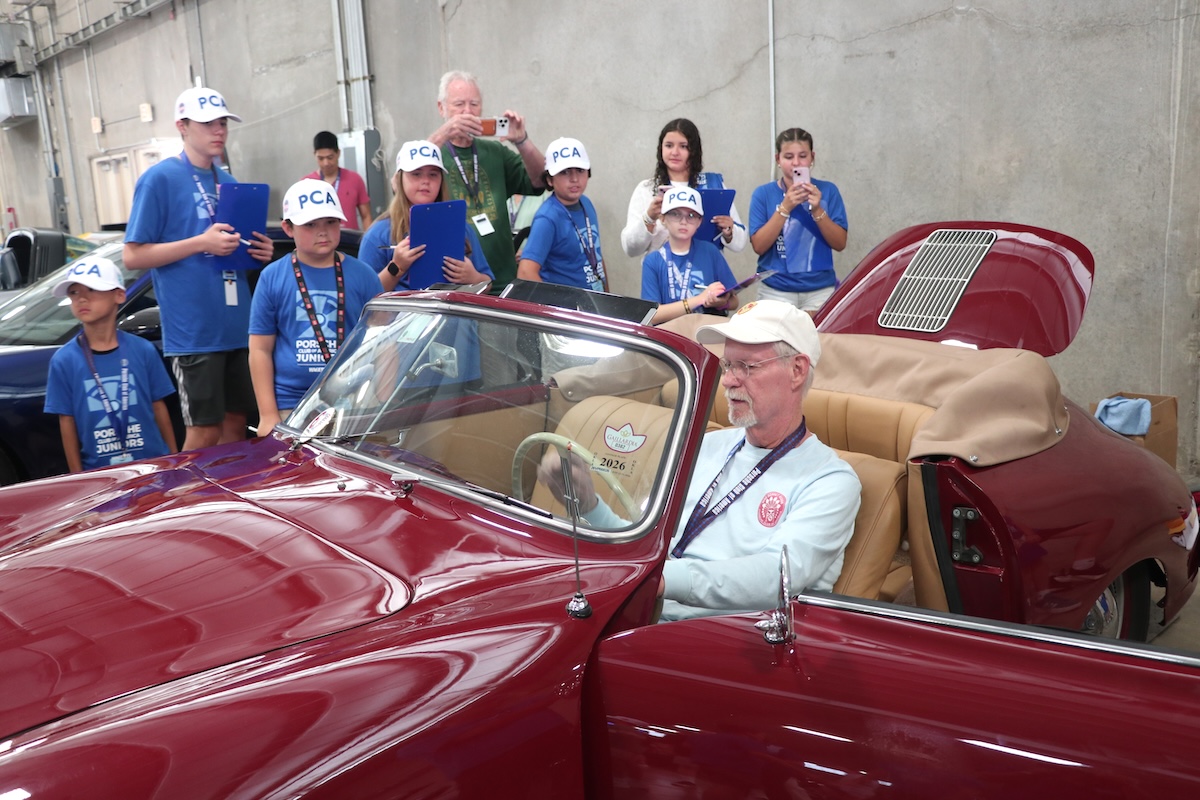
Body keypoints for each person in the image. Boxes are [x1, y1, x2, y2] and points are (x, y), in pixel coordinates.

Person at [538, 300, 860, 621]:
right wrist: (588, 504)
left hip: (728, 644)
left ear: (797, 370)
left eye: (746, 367)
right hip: (645, 613)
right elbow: (647, 545)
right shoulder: (709, 446)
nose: (728, 381)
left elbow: (777, 575)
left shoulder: (831, 481)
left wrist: (662, 580)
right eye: (727, 365)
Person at [123, 86, 275, 451]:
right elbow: (132, 256)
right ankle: (190, 503)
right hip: (194, 331)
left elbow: (238, 252)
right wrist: (199, 243)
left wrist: (260, 251)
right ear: (182, 126)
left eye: (222, 122)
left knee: (237, 425)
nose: (219, 130)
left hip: (238, 326)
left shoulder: (232, 184)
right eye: (208, 123)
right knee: (204, 430)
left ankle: (226, 504)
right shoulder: (160, 179)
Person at [248, 179, 382, 433]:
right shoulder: (272, 277)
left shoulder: (364, 275)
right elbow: (259, 350)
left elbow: (384, 343)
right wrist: (267, 415)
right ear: (288, 228)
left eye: (330, 222)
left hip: (356, 403)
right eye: (310, 224)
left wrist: (384, 403)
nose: (323, 231)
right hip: (291, 406)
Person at [44, 255, 177, 472]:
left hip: (153, 467)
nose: (81, 299)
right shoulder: (64, 360)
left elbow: (158, 407)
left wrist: (172, 460)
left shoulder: (143, 350)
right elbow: (66, 422)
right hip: (100, 474)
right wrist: (78, 477)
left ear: (119, 295)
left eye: (92, 289)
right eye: (74, 292)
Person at [428, 70, 546, 289]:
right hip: (452, 284)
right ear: (441, 108)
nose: (467, 112)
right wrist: (444, 133)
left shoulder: (495, 151)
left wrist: (522, 140)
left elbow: (540, 181)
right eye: (459, 104)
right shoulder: (432, 153)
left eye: (474, 104)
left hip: (503, 280)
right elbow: (400, 186)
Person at [358, 140, 493, 291]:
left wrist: (473, 278)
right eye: (416, 174)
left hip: (452, 312)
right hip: (401, 313)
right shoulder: (378, 234)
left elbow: (487, 283)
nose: (425, 181)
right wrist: (396, 268)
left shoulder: (460, 228)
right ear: (399, 179)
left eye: (433, 174)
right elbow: (364, 294)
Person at [749, 128, 848, 312]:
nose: (796, 163)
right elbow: (759, 246)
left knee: (819, 340)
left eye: (802, 156)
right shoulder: (763, 194)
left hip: (820, 290)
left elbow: (840, 243)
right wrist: (785, 207)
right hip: (775, 289)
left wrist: (818, 209)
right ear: (778, 159)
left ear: (812, 158)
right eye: (788, 157)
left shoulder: (828, 191)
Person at [621, 118, 748, 259]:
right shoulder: (647, 189)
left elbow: (740, 243)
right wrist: (649, 218)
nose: (675, 152)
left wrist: (729, 231)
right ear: (660, 149)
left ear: (694, 150)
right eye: (669, 145)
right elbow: (630, 249)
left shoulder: (713, 185)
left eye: (683, 146)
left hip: (707, 274)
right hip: (662, 275)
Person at [517, 137, 607, 291]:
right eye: (564, 172)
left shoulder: (586, 203)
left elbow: (595, 253)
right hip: (567, 309)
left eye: (580, 170)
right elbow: (525, 272)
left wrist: (607, 296)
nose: (574, 179)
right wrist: (553, 308)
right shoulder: (548, 217)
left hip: (593, 302)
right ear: (550, 180)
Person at [640, 185, 739, 324]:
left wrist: (720, 303)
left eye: (691, 216)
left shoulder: (710, 251)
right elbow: (652, 314)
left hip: (707, 333)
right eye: (675, 214)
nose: (683, 221)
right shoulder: (653, 261)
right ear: (663, 219)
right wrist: (699, 299)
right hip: (669, 337)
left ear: (699, 222)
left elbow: (734, 301)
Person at [305, 130, 373, 230]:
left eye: (330, 157)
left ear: (338, 153)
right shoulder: (307, 183)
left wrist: (368, 241)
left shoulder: (355, 179)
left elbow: (366, 216)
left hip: (349, 242)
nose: (326, 163)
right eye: (321, 158)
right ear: (314, 155)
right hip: (319, 242)